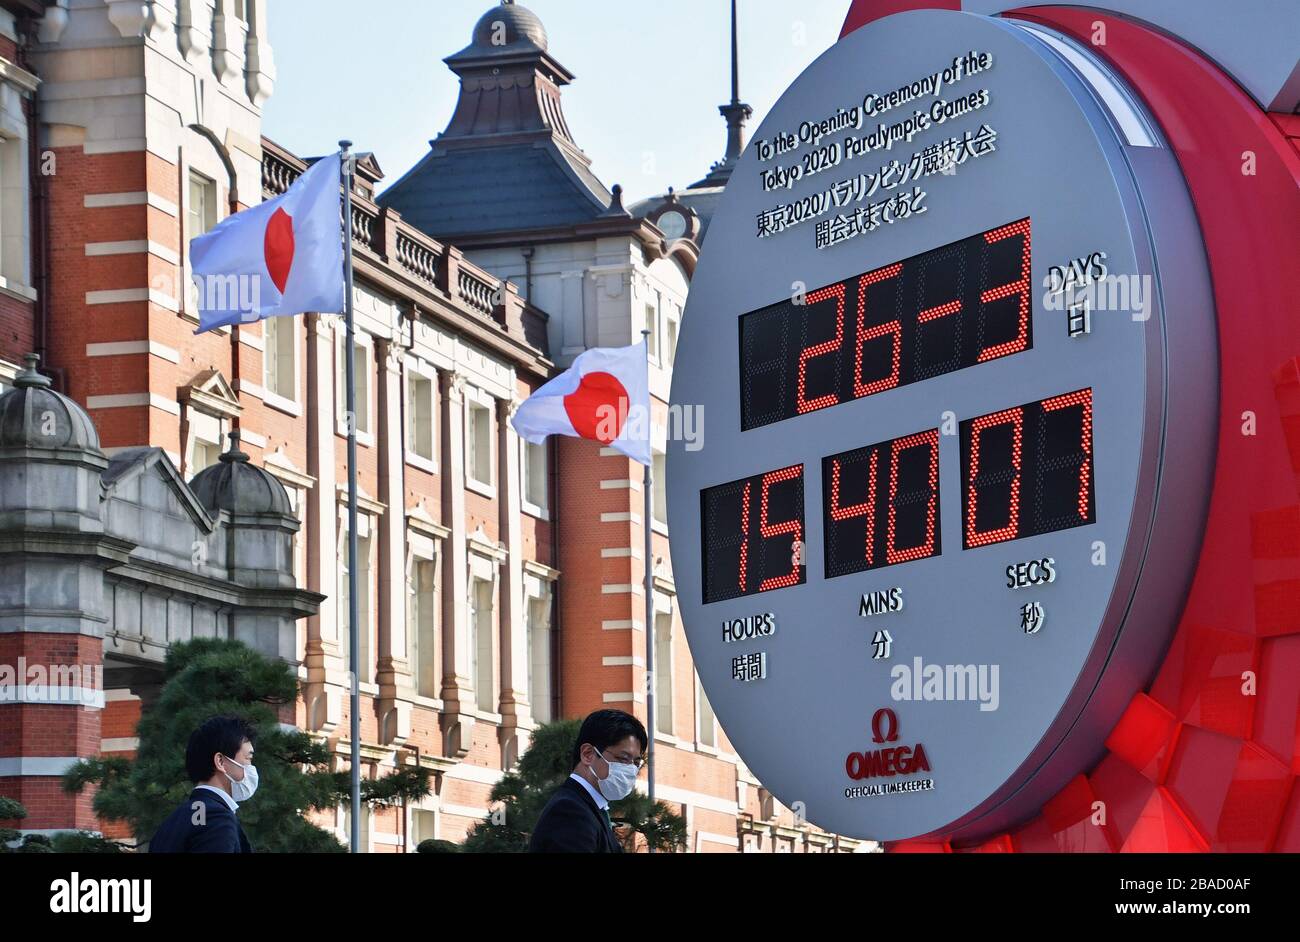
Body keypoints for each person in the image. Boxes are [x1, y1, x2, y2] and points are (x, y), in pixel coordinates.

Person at [529, 709, 647, 853]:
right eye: (623, 759)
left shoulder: (594, 809)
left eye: (635, 762)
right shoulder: (570, 811)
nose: (630, 770)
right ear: (588, 754)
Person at [149, 715, 257, 853]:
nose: (251, 767)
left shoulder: (176, 818)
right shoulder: (216, 818)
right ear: (221, 762)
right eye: (248, 758)